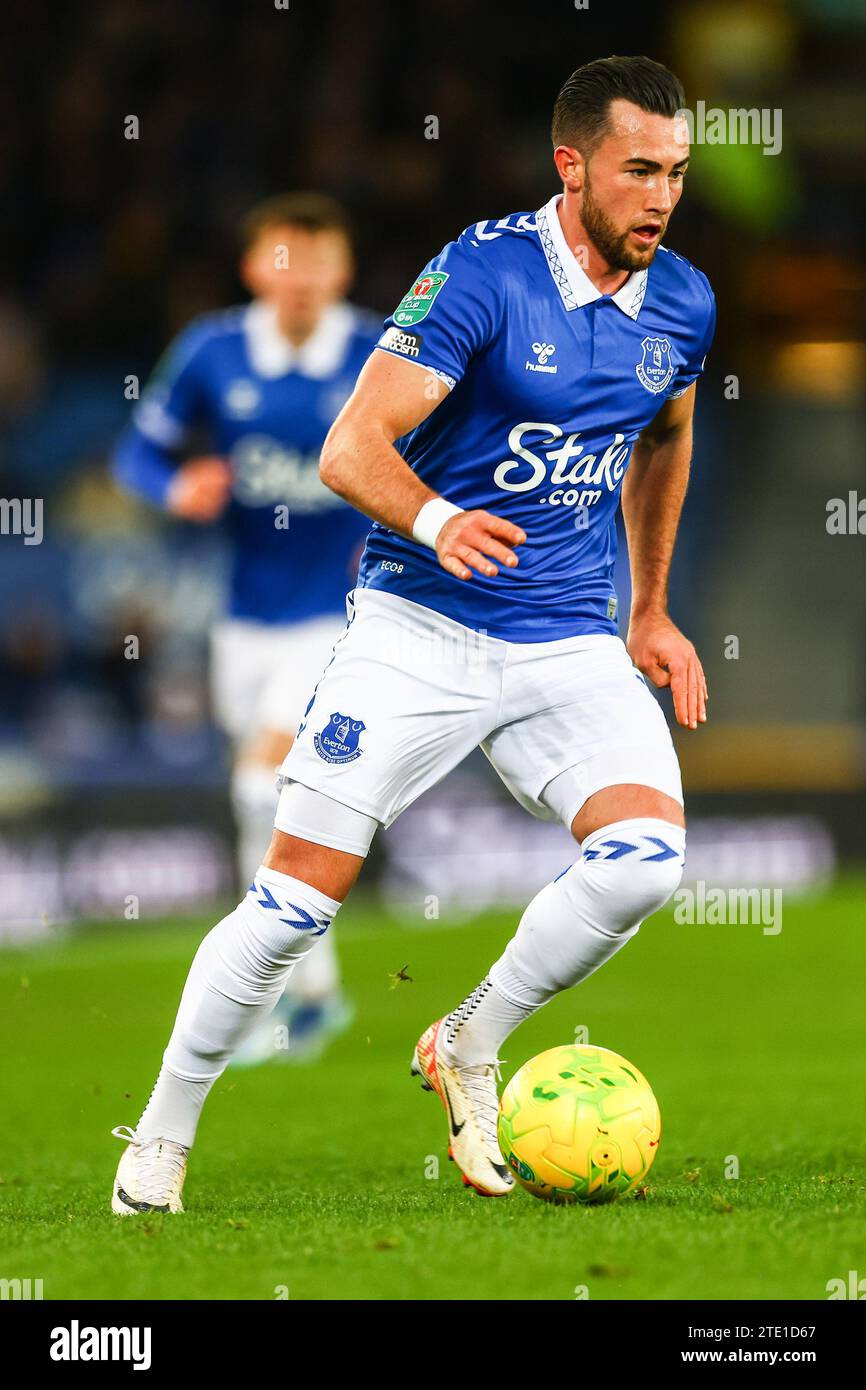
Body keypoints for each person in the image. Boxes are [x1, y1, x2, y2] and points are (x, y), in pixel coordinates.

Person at [111, 55, 715, 1213]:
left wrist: (646, 607)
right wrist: (439, 521)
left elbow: (665, 434)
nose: (659, 196)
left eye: (676, 174)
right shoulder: (484, 272)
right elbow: (349, 450)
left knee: (643, 863)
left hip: (562, 639)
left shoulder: (681, 299)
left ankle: (469, 1040)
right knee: (292, 902)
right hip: (416, 625)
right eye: (639, 170)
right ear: (571, 164)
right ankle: (163, 1136)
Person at [113, 193, 379, 1066]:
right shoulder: (212, 352)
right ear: (252, 268)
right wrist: (172, 489)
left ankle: (286, 997)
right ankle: (311, 996)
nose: (298, 279)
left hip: (339, 617)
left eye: (316, 261)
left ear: (342, 270)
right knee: (257, 809)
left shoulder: (384, 349)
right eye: (282, 259)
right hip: (242, 622)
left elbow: (443, 446)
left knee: (265, 788)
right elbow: (137, 454)